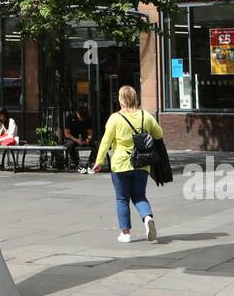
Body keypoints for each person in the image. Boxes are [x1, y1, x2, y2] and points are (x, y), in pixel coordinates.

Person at [90, 86, 163, 243]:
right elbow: (159, 134)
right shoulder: (146, 116)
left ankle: (126, 233)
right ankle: (148, 218)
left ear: (121, 99)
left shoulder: (115, 118)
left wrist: (99, 161)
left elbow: (105, 141)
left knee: (122, 199)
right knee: (139, 196)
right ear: (135, 98)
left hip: (121, 164)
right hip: (142, 164)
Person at [64, 104, 94, 173]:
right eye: (81, 116)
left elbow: (90, 133)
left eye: (84, 117)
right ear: (77, 113)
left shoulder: (88, 118)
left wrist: (88, 139)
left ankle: (89, 164)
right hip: (73, 138)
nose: (82, 119)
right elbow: (67, 134)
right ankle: (77, 165)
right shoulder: (70, 118)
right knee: (69, 145)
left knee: (96, 145)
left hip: (84, 138)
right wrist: (76, 140)